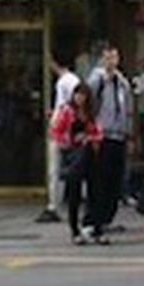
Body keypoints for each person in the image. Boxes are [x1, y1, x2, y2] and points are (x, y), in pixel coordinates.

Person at [85, 45, 132, 239]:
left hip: (118, 136)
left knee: (114, 180)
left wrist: (129, 133)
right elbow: (87, 101)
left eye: (114, 57)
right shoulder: (97, 79)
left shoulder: (122, 82)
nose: (112, 61)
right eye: (107, 57)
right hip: (101, 136)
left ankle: (106, 219)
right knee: (99, 181)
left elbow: (127, 108)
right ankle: (93, 221)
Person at [51, 79, 103, 244]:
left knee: (95, 192)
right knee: (74, 194)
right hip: (74, 156)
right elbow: (56, 132)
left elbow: (99, 132)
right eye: (77, 94)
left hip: (90, 156)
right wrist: (70, 140)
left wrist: (90, 138)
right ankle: (75, 230)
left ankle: (96, 228)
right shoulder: (67, 111)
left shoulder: (91, 113)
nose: (80, 98)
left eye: (83, 95)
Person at [37, 56, 82, 224]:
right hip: (69, 129)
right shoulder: (74, 80)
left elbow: (63, 107)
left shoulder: (63, 82)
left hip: (61, 130)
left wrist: (55, 123)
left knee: (55, 169)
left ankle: (53, 205)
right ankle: (60, 202)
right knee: (65, 167)